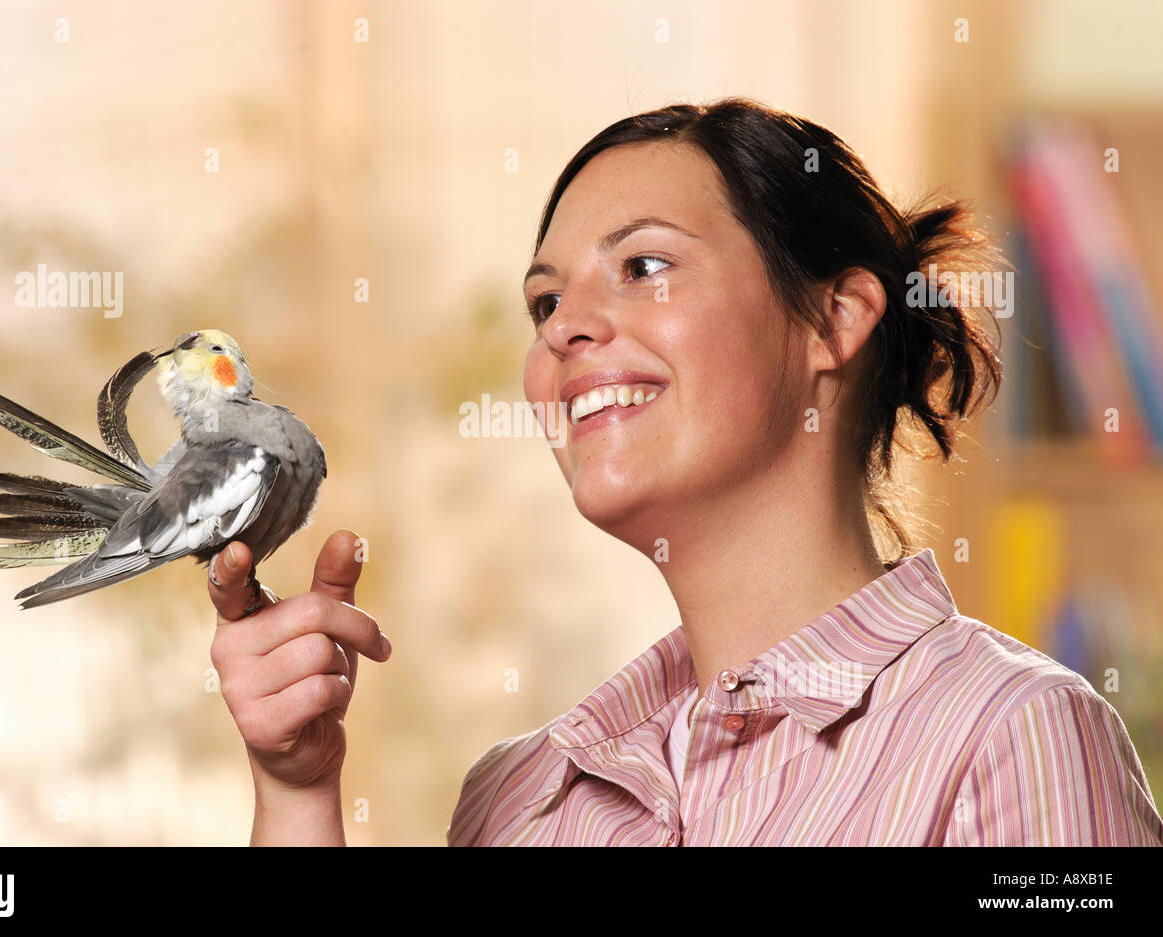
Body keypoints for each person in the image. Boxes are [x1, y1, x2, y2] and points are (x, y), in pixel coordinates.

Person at [206, 98, 1163, 846]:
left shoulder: (1016, 735)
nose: (565, 328)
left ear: (835, 319)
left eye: (644, 265)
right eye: (545, 302)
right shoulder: (518, 797)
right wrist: (297, 793)